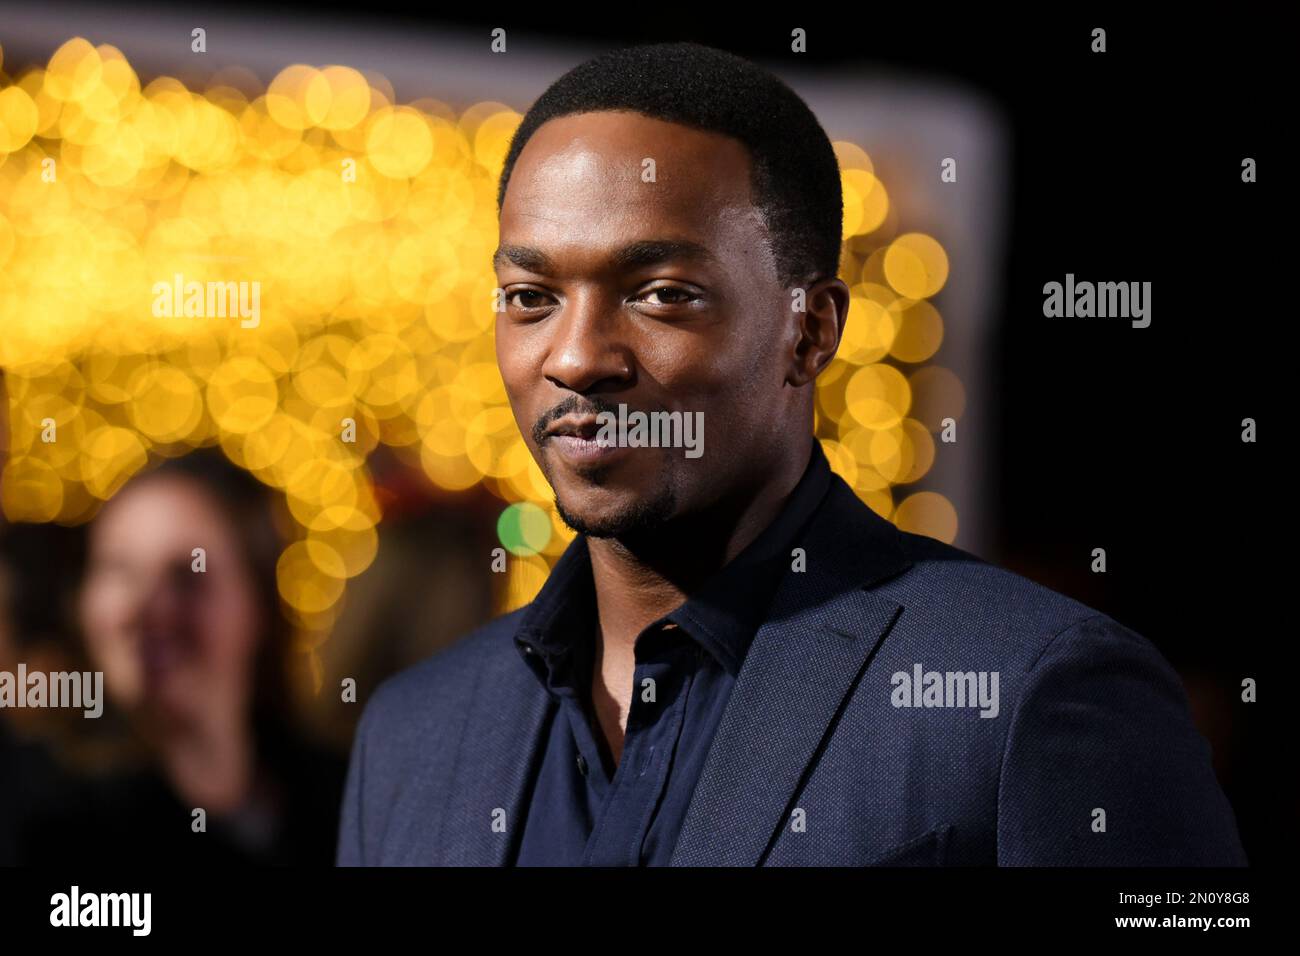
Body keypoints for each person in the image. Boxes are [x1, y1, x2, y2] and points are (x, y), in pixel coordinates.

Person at [337, 42, 1246, 866]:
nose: (575, 357)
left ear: (810, 333)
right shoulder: (412, 736)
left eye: (659, 295)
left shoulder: (1032, 692)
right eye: (530, 297)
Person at [47, 450, 347, 865]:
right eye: (119, 570)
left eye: (187, 574)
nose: (147, 608)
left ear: (257, 603)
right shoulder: (44, 819)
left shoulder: (349, 798)